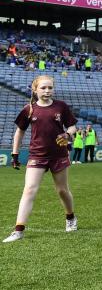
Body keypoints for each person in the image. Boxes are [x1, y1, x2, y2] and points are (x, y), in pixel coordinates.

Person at [3, 75, 78, 243]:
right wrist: (14, 154)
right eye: (43, 88)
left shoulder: (61, 106)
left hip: (59, 155)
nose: (47, 91)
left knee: (62, 190)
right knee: (29, 189)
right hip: (37, 155)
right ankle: (18, 230)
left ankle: (70, 217)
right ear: (35, 90)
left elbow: (72, 126)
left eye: (50, 87)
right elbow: (19, 132)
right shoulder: (29, 109)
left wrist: (68, 134)